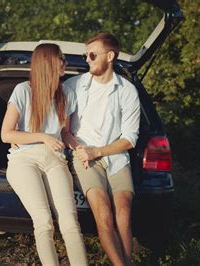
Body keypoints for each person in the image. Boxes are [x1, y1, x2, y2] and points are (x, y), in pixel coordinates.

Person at [1, 43, 88, 266]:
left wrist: (79, 147)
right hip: (24, 161)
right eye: (62, 59)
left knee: (70, 222)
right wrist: (43, 136)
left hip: (55, 160)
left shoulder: (67, 94)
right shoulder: (23, 90)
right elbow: (6, 134)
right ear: (48, 62)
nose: (65, 64)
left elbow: (66, 132)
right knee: (44, 221)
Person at [62, 32, 140, 266]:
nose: (87, 59)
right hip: (84, 157)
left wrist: (98, 152)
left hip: (116, 156)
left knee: (124, 213)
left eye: (92, 54)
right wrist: (81, 149)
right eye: (86, 55)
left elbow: (129, 139)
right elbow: (65, 131)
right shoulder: (73, 86)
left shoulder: (127, 90)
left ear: (110, 56)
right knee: (104, 213)